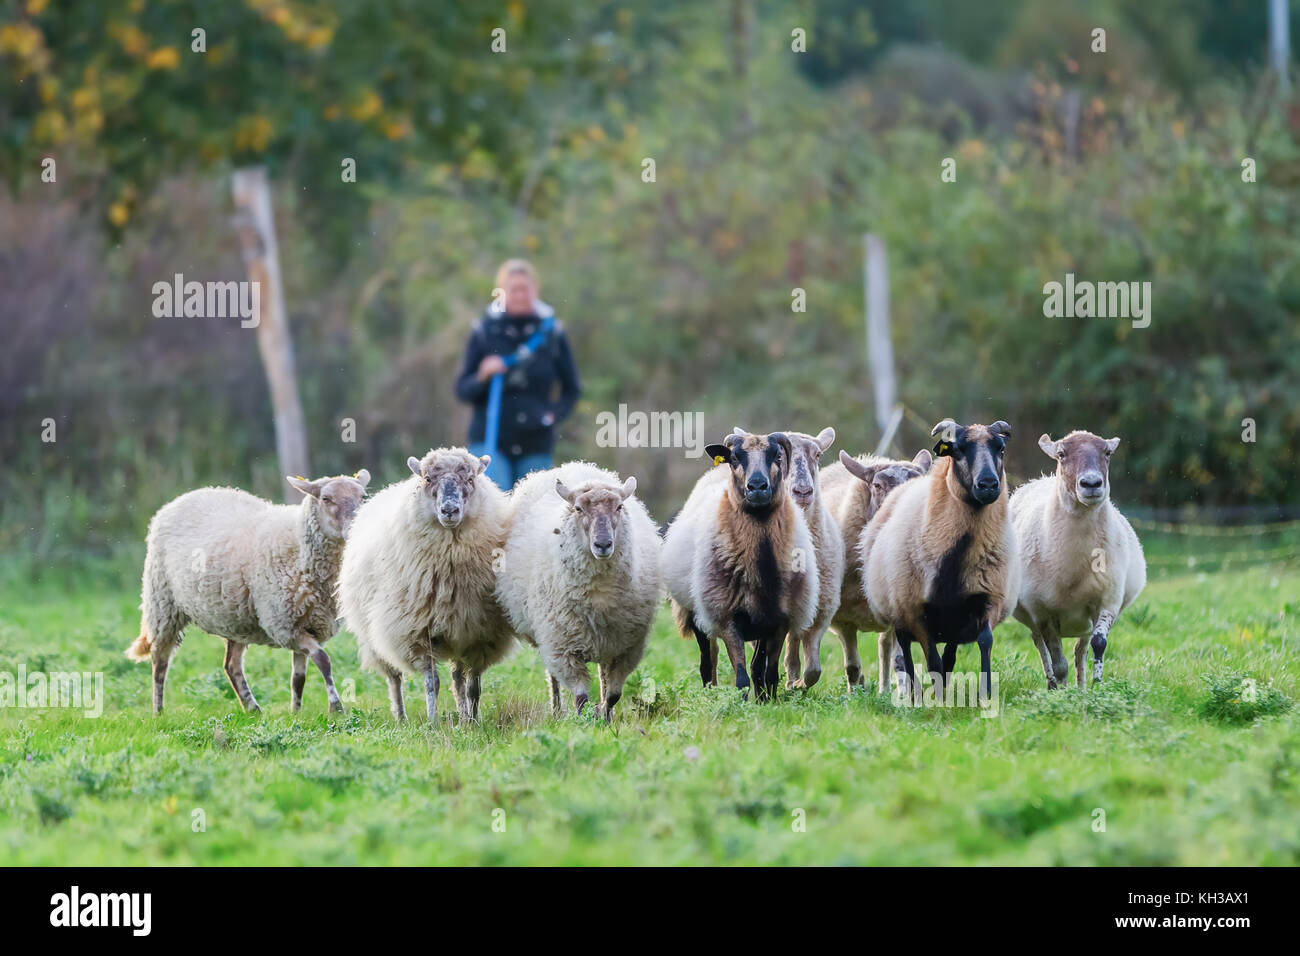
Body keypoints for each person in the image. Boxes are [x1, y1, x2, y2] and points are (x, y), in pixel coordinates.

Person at [455, 259, 581, 488]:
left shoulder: (552, 332)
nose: (520, 295)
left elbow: (572, 389)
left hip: (536, 441)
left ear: (536, 290)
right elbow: (463, 390)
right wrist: (483, 374)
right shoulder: (484, 330)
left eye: (525, 289)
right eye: (514, 289)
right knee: (495, 507)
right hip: (490, 442)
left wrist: (552, 416)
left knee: (533, 513)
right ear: (501, 292)